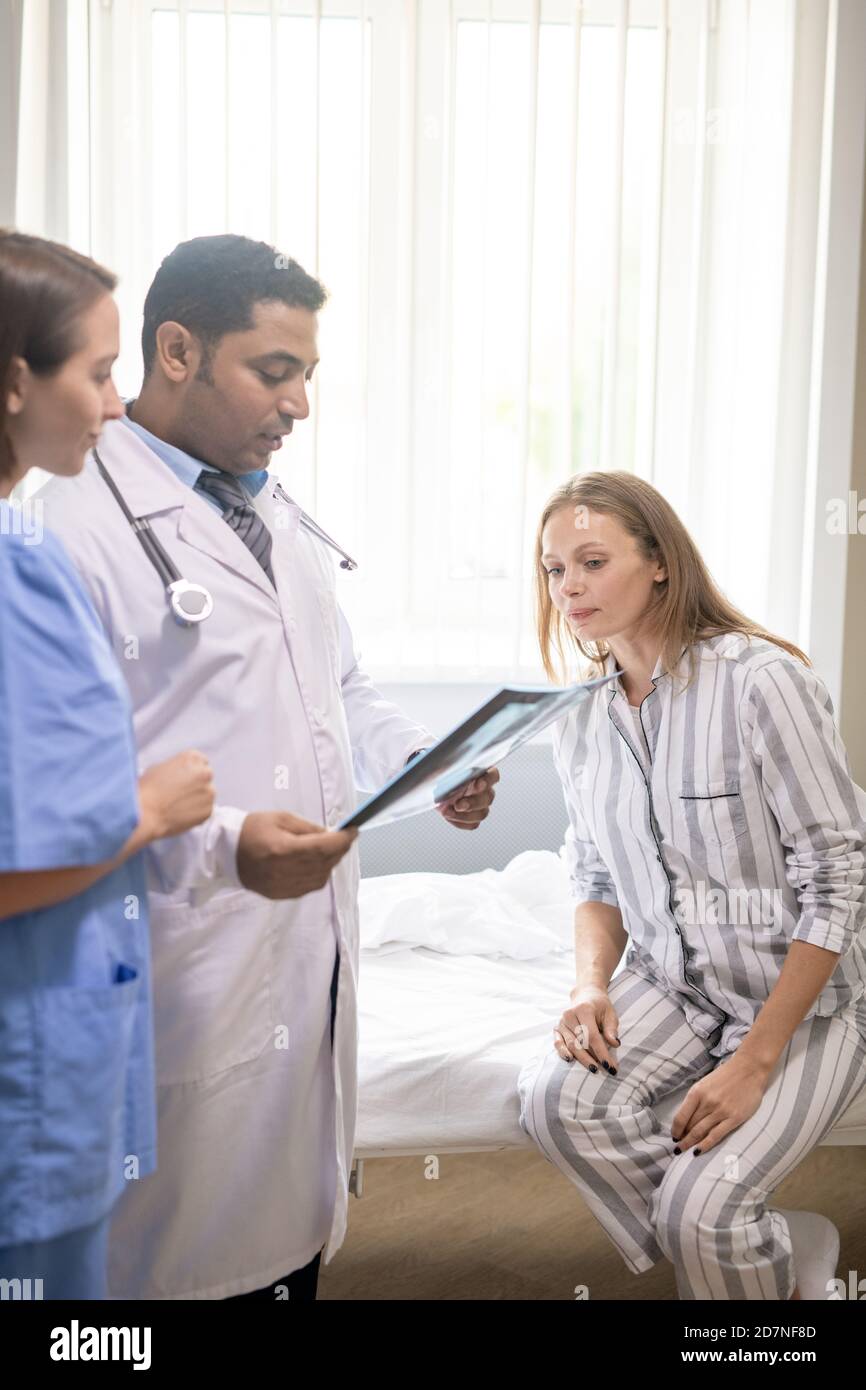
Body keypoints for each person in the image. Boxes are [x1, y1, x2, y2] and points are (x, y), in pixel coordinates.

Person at [37, 232, 500, 1301]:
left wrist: (423, 765)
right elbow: (63, 790)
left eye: (307, 376)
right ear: (178, 351)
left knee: (285, 1257)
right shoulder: (70, 529)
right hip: (176, 953)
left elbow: (338, 689)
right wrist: (227, 840)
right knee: (168, 1273)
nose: (297, 405)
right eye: (274, 371)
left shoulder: (268, 510)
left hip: (299, 944)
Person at [518, 470, 866, 1301]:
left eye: (593, 561)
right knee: (556, 1100)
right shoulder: (579, 714)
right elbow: (594, 870)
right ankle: (769, 1257)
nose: (570, 587)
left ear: (660, 562)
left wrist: (755, 1058)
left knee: (702, 1209)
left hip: (811, 1001)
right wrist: (589, 983)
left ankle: (724, 1239)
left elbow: (840, 876)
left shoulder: (760, 683)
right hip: (672, 984)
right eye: (554, 569)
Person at [0, 229, 216, 1298]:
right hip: (24, 1097)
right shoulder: (14, 570)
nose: (115, 403)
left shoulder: (23, 551)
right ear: (13, 382)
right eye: (95, 372)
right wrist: (150, 809)